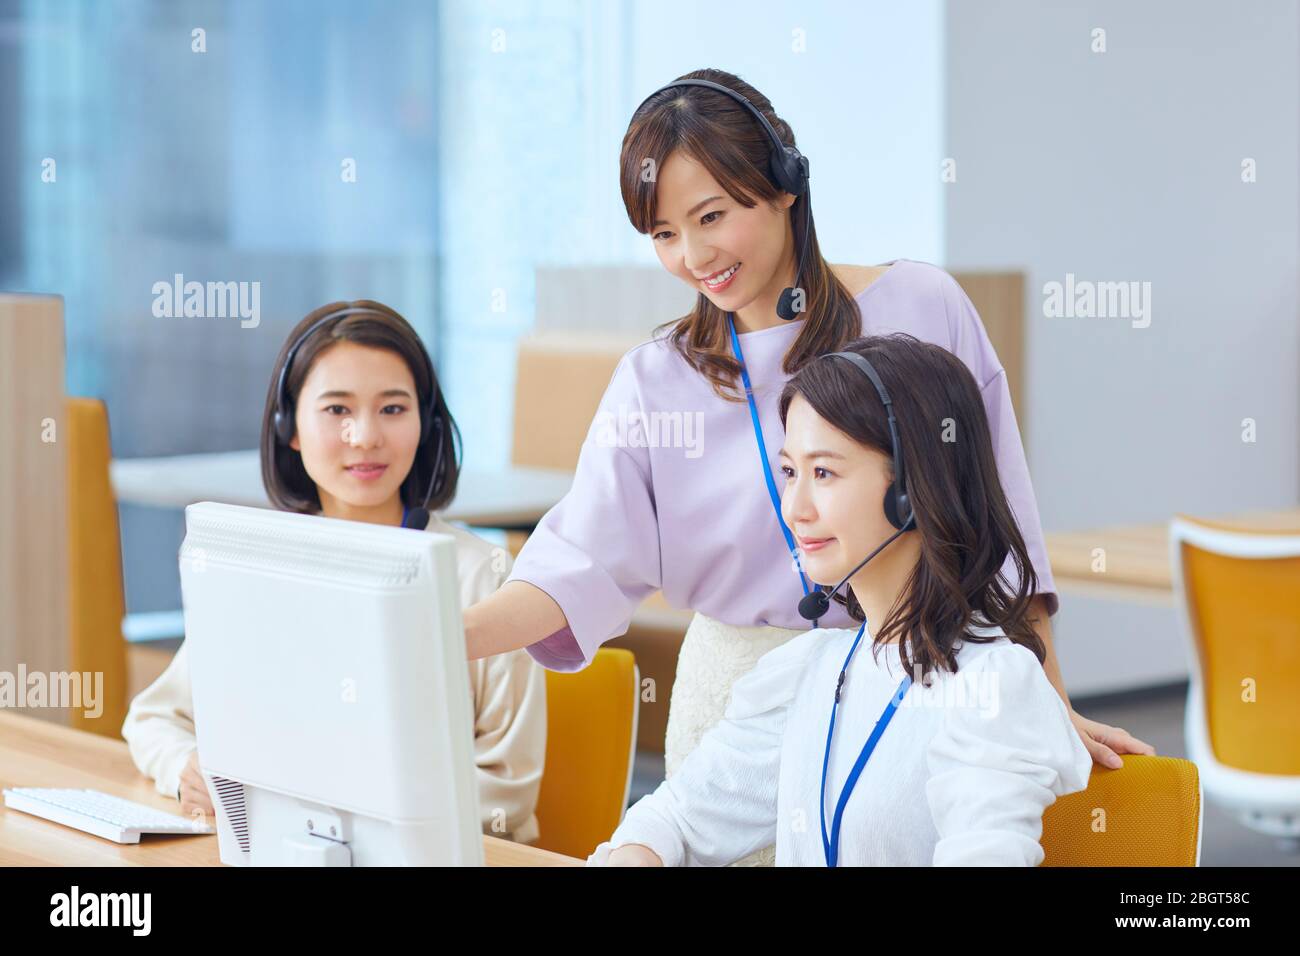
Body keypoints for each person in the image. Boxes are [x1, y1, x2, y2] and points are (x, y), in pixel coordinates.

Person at [463, 68, 1152, 865]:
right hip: (740, 706)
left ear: (786, 186)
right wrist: (451, 635)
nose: (693, 256)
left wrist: (1042, 694)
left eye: (712, 215)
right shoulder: (656, 381)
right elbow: (577, 561)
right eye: (662, 234)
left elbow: (1000, 525)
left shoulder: (921, 309)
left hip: (922, 676)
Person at [590, 334, 1093, 866]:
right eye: (790, 472)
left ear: (912, 491)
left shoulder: (989, 686)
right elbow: (673, 820)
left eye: (824, 473)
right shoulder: (809, 671)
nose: (794, 508)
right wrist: (639, 853)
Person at [122, 301, 547, 845]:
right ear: (289, 428)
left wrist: (319, 803)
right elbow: (153, 719)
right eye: (336, 410)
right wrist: (187, 766)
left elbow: (508, 792)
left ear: (426, 423)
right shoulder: (262, 567)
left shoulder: (484, 577)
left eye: (393, 409)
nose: (365, 436)